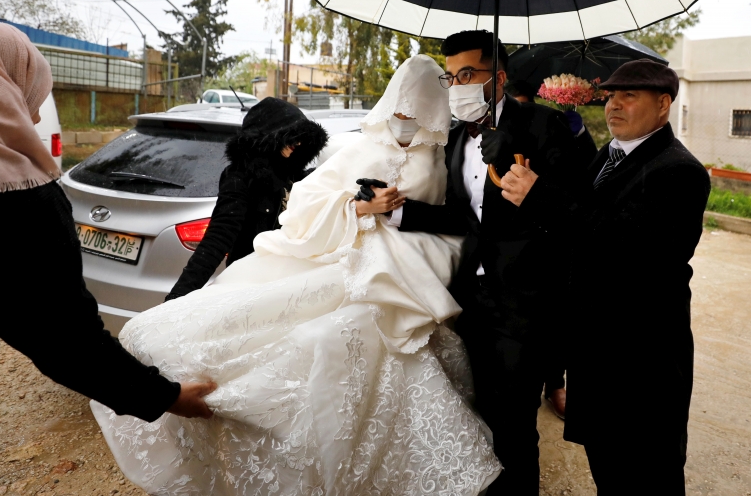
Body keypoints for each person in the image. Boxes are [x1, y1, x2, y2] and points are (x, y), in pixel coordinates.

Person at [90, 55, 501, 495]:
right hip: (337, 254)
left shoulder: (439, 159)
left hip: (399, 271)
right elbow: (306, 202)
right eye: (398, 112)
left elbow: (450, 219)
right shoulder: (361, 148)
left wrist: (401, 214)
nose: (403, 121)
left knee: (342, 348)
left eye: (413, 114)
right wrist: (359, 208)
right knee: (267, 324)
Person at [0, 17, 215, 491]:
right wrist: (167, 396)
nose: (34, 117)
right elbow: (62, 338)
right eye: (29, 93)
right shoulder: (9, 196)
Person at [499, 59, 709, 495]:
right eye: (611, 95)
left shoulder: (679, 171)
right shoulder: (610, 155)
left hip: (641, 360)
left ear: (664, 104)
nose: (614, 105)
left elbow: (626, 246)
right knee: (609, 470)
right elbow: (576, 210)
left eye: (629, 95)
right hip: (597, 351)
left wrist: (539, 197)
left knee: (645, 474)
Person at [387, 30, 580, 495]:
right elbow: (460, 214)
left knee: (514, 427)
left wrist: (520, 169)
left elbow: (578, 214)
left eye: (468, 74)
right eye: (450, 77)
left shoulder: (545, 126)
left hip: (524, 305)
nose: (457, 85)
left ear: (498, 76)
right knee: (476, 418)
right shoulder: (456, 138)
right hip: (468, 300)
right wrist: (393, 210)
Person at [165, 97, 328, 300]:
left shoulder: (292, 175)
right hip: (248, 287)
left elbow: (331, 184)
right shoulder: (240, 177)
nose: (297, 143)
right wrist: (178, 297)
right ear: (270, 136)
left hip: (286, 286)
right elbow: (218, 239)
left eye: (301, 137)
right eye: (291, 136)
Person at [503, 79, 595, 420]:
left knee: (556, 316)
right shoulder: (490, 136)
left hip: (552, 243)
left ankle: (555, 382)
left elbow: (585, 176)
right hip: (510, 251)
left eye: (528, 107)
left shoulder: (553, 130)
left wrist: (579, 132)